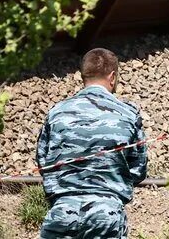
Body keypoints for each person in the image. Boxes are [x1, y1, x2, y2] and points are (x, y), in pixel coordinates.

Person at [36, 48, 147, 238]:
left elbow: (43, 161)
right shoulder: (128, 114)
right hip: (106, 213)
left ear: (83, 76)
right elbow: (138, 169)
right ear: (112, 77)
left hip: (62, 212)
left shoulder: (56, 112)